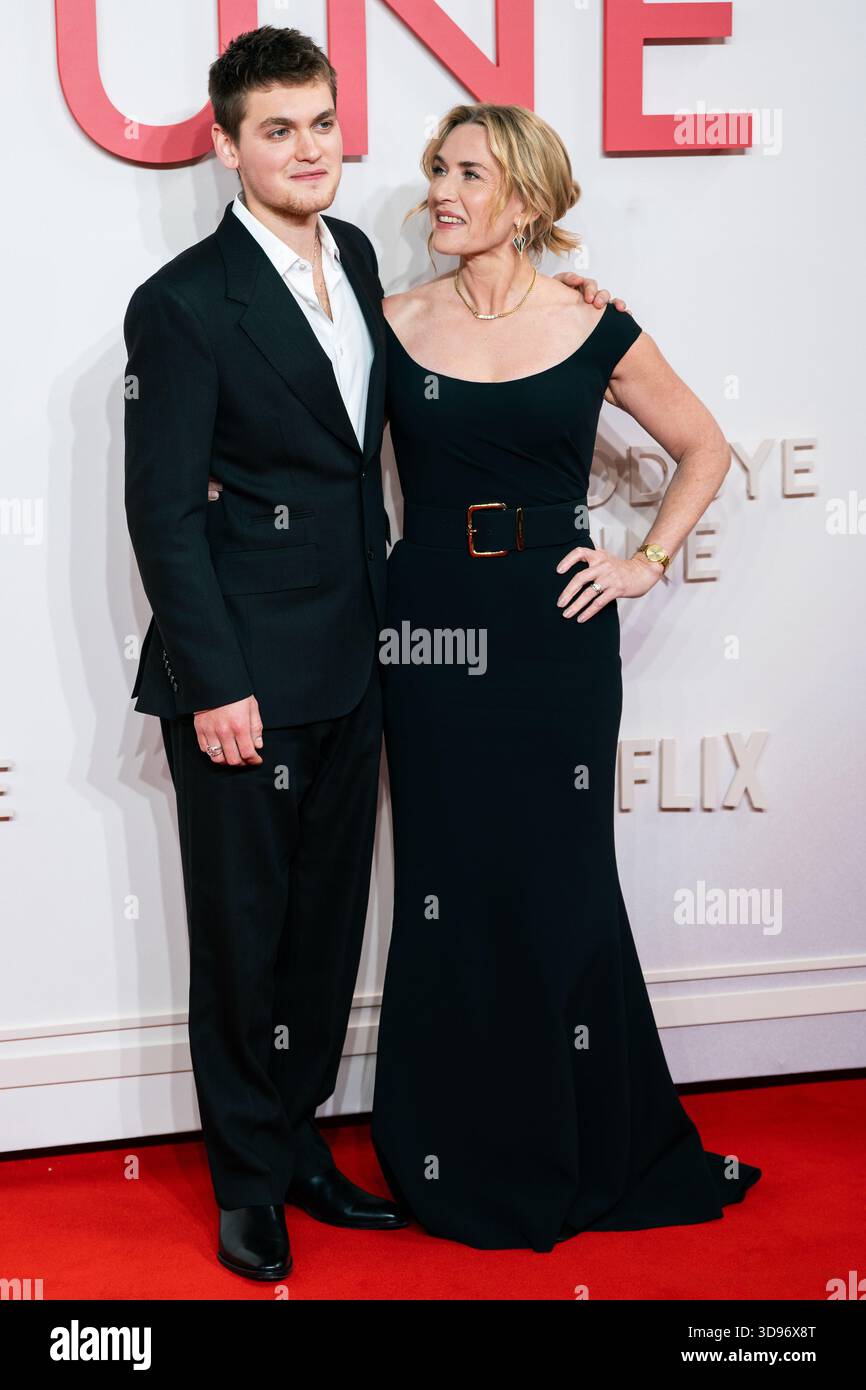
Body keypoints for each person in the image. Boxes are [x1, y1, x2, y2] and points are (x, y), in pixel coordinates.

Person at [126, 26, 620, 1281]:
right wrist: (213, 681)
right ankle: (247, 1183)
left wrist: (584, 302)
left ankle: (298, 1149)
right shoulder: (182, 302)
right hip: (242, 675)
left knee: (322, 934)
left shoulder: (355, 259)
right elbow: (163, 513)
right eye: (275, 129)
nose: (306, 148)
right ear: (228, 145)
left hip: (365, 660)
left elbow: (480, 340)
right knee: (242, 939)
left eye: (320, 123)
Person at [369, 102, 762, 1251]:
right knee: (446, 880)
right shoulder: (389, 323)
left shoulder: (597, 327)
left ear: (529, 202)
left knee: (558, 879)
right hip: (429, 624)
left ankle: (582, 1137)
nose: (440, 190)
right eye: (436, 169)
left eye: (469, 174)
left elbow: (704, 445)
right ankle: (456, 1147)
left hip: (553, 626)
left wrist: (642, 561)